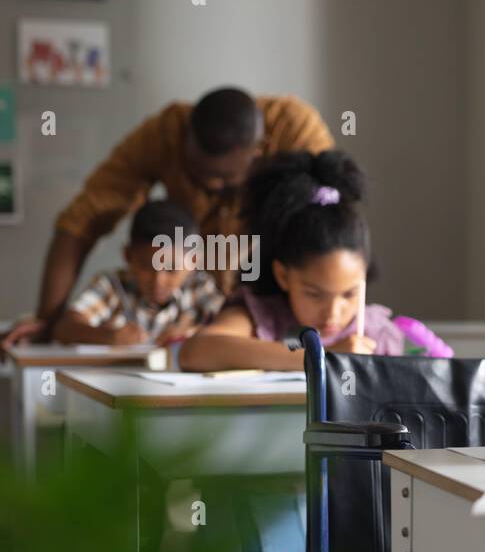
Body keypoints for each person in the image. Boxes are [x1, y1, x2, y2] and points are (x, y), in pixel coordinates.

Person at [2, 87, 333, 350]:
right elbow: (82, 221)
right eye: (199, 176)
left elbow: (333, 228)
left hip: (287, 297)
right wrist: (47, 319)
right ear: (185, 138)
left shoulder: (296, 131)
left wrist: (327, 310)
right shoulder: (162, 134)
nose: (211, 186)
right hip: (224, 311)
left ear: (259, 152)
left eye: (224, 181)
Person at [179, 150, 451, 371]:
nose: (333, 312)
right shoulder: (260, 316)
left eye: (349, 293)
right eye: (314, 294)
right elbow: (196, 352)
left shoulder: (377, 332)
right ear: (283, 276)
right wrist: (324, 357)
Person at [52, 200, 223, 346]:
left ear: (193, 262)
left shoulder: (200, 287)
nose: (158, 280)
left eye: (171, 268)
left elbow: (230, 325)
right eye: (147, 266)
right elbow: (65, 328)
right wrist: (110, 336)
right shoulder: (112, 285)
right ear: (128, 256)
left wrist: (191, 333)